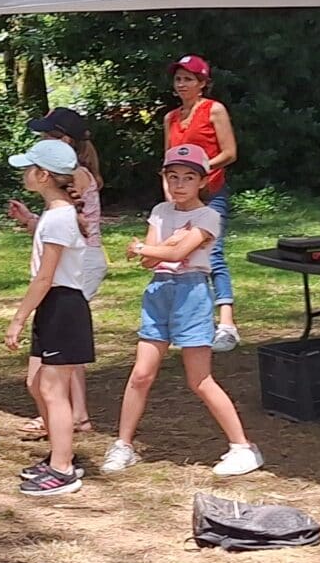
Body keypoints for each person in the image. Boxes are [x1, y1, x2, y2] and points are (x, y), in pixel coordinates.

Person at [102, 144, 264, 478]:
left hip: (192, 293)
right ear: (163, 179)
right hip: (159, 291)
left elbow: (170, 254)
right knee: (141, 374)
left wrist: (153, 247)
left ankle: (243, 447)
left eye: (188, 177)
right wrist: (164, 247)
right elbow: (153, 260)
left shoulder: (208, 216)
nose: (179, 184)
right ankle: (123, 444)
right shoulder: (161, 211)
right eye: (172, 176)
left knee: (200, 379)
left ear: (203, 182)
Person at [5, 138, 98, 497]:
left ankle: (63, 469)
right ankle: (59, 457)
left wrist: (18, 319)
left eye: (29, 168)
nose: (25, 174)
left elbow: (46, 277)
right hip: (55, 306)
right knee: (42, 385)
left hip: (62, 306)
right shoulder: (54, 216)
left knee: (53, 391)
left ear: (43, 175)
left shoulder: (59, 218)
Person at [8, 108, 105, 439]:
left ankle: (71, 422)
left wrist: (19, 318)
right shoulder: (58, 210)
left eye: (48, 135)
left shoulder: (75, 183)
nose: (42, 137)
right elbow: (58, 233)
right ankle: (65, 422)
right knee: (46, 379)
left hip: (65, 290)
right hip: (58, 291)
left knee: (56, 375)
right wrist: (30, 221)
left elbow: (49, 270)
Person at [163, 55, 241, 352]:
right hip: (180, 195)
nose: (182, 84)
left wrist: (200, 170)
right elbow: (168, 160)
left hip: (211, 191)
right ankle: (193, 322)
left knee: (213, 252)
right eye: (179, 79)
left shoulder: (214, 110)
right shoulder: (170, 118)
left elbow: (230, 152)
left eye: (188, 79)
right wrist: (170, 191)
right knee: (180, 256)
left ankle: (227, 324)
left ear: (202, 83)